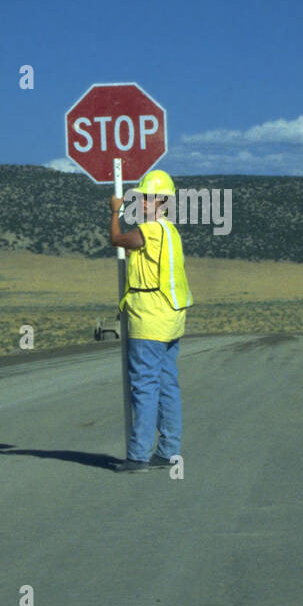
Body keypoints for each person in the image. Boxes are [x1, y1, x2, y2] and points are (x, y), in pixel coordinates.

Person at [108, 169, 192, 473]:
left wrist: (115, 212)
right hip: (171, 317)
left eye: (148, 197)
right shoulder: (171, 231)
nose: (142, 202)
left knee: (143, 386)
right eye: (141, 197)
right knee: (167, 383)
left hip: (150, 318)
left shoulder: (151, 231)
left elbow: (116, 239)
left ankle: (139, 455)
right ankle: (168, 450)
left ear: (162, 201)